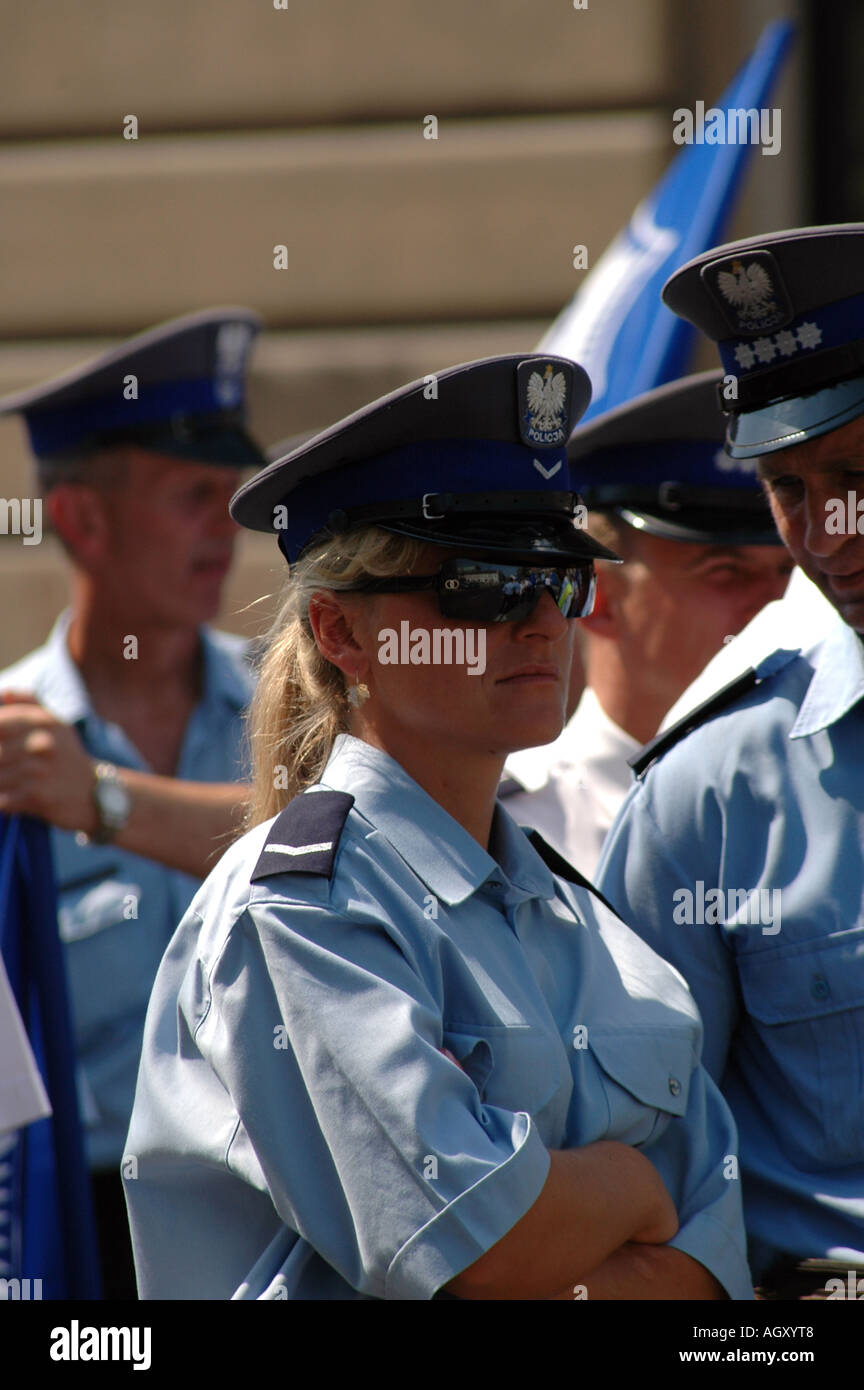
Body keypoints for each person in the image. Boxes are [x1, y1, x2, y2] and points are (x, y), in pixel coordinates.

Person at [124, 353, 752, 1301]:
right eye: (484, 585)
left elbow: (717, 1262)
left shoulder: (580, 912)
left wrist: (574, 1247)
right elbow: (477, 1254)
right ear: (342, 634)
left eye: (562, 579)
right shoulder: (300, 911)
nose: (540, 621)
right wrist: (631, 1183)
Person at [596, 223, 864, 1298]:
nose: (826, 531)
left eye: (854, 472)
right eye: (788, 491)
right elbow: (645, 1175)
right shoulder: (708, 790)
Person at [0, 307, 266, 1296]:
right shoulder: (7, 748)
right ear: (81, 520)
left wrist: (100, 799)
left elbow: (326, 848)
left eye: (232, 493)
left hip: (282, 1226)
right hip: (81, 1242)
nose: (225, 525)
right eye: (194, 495)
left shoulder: (298, 718)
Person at [501, 372, 792, 872]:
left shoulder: (827, 795)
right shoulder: (512, 832)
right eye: (726, 572)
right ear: (599, 597)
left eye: (786, 571)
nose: (773, 604)